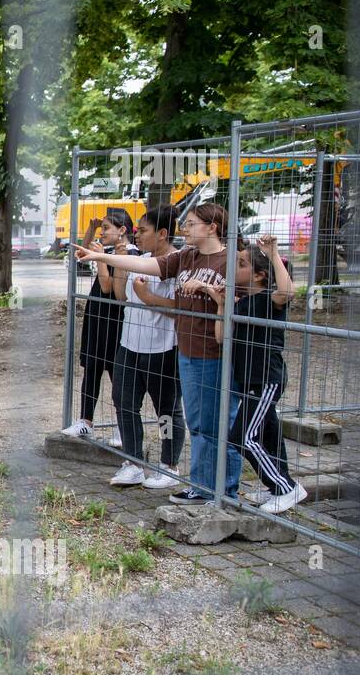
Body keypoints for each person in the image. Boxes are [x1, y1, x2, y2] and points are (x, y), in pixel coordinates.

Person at [74, 202, 243, 505]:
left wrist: (156, 297)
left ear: (212, 227)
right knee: (144, 408)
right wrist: (101, 255)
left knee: (196, 419)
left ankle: (198, 479)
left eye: (190, 224)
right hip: (175, 348)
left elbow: (253, 290)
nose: (185, 229)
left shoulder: (229, 261)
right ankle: (157, 470)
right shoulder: (185, 257)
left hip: (193, 350)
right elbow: (136, 276)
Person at [193, 236, 305, 513]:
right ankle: (277, 486)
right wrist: (220, 304)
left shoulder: (269, 299)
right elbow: (222, 338)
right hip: (249, 380)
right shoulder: (241, 302)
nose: (234, 268)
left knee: (242, 437)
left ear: (259, 275)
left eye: (241, 264)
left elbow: (287, 292)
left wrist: (274, 253)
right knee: (268, 436)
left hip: (266, 379)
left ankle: (286, 487)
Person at [107, 205, 186, 489]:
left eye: (143, 230)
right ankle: (133, 462)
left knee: (166, 409)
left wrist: (149, 297)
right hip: (130, 344)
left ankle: (169, 465)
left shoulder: (178, 264)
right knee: (124, 401)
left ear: (162, 234)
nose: (137, 235)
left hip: (162, 348)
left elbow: (183, 309)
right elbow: (121, 296)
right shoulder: (140, 260)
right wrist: (120, 263)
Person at [62, 208, 139, 446]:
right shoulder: (105, 250)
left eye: (106, 228)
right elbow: (80, 254)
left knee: (118, 375)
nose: (102, 233)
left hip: (116, 320)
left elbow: (108, 289)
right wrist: (91, 230)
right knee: (92, 369)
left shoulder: (129, 254)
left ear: (122, 230)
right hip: (97, 317)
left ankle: (121, 426)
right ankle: (86, 421)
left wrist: (102, 260)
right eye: (102, 228)